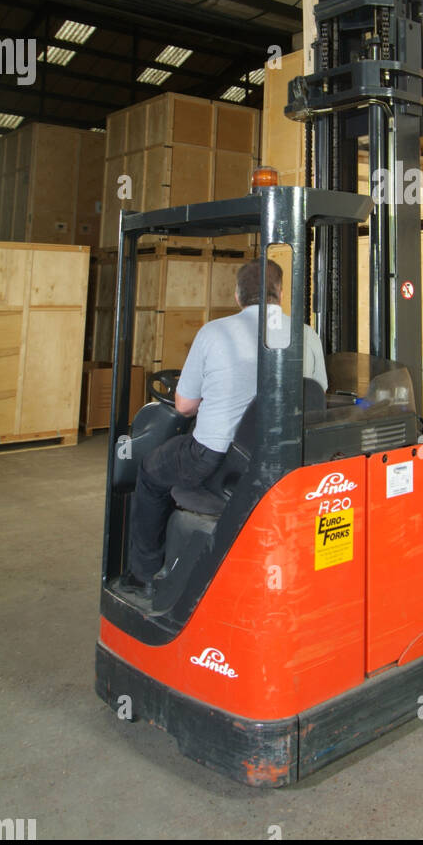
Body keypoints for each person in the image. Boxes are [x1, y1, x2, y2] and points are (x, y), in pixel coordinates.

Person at [118, 258, 327, 602]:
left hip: (215, 459)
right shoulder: (305, 334)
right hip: (285, 459)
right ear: (280, 293)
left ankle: (143, 576)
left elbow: (184, 406)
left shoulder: (214, 332)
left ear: (237, 296)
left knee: (151, 470)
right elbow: (316, 392)